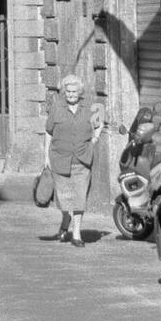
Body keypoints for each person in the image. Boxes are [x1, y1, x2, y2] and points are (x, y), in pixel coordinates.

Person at [43, 73, 104, 248]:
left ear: (80, 92)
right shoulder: (57, 107)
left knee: (79, 198)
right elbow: (48, 131)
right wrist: (45, 157)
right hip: (60, 159)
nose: (70, 94)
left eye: (74, 91)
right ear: (64, 92)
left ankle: (76, 233)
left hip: (82, 160)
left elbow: (100, 124)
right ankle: (65, 218)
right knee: (63, 199)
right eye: (68, 91)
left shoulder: (89, 107)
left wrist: (94, 140)